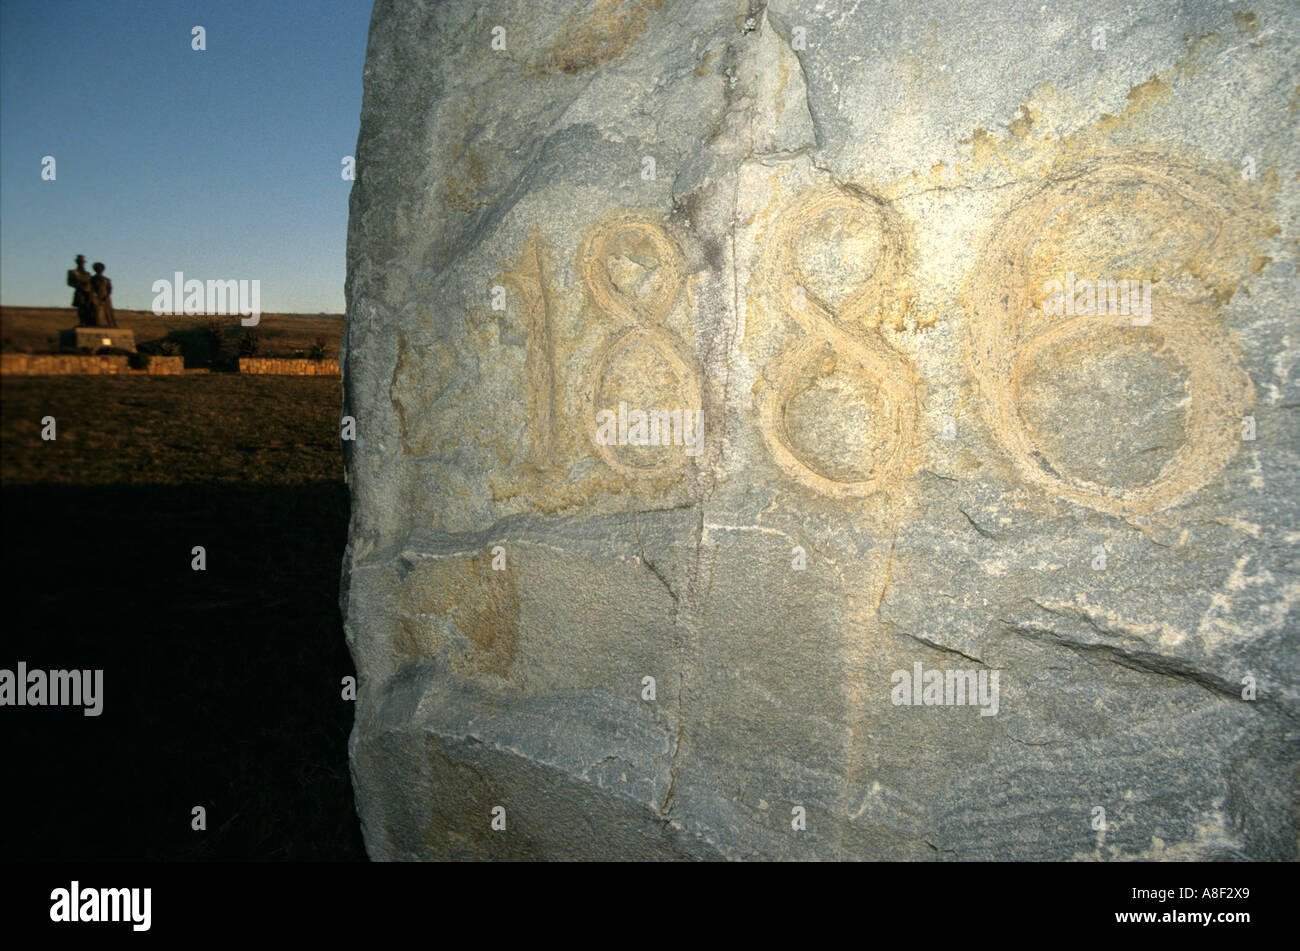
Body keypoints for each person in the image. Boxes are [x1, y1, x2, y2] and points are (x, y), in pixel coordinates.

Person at [66, 254, 94, 326]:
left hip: (88, 293)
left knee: (88, 308)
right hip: (79, 292)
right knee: (81, 307)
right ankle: (82, 322)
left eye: (82, 262)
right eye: (80, 261)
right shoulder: (72, 272)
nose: (81, 263)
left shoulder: (88, 273)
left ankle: (88, 322)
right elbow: (70, 283)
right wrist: (80, 286)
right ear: (77, 262)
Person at [89, 262, 117, 328]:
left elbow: (109, 289)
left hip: (105, 298)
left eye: (100, 269)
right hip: (96, 298)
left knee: (108, 312)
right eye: (97, 269)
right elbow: (90, 288)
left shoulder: (107, 280)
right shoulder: (92, 279)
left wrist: (106, 296)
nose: (99, 270)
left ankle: (110, 324)